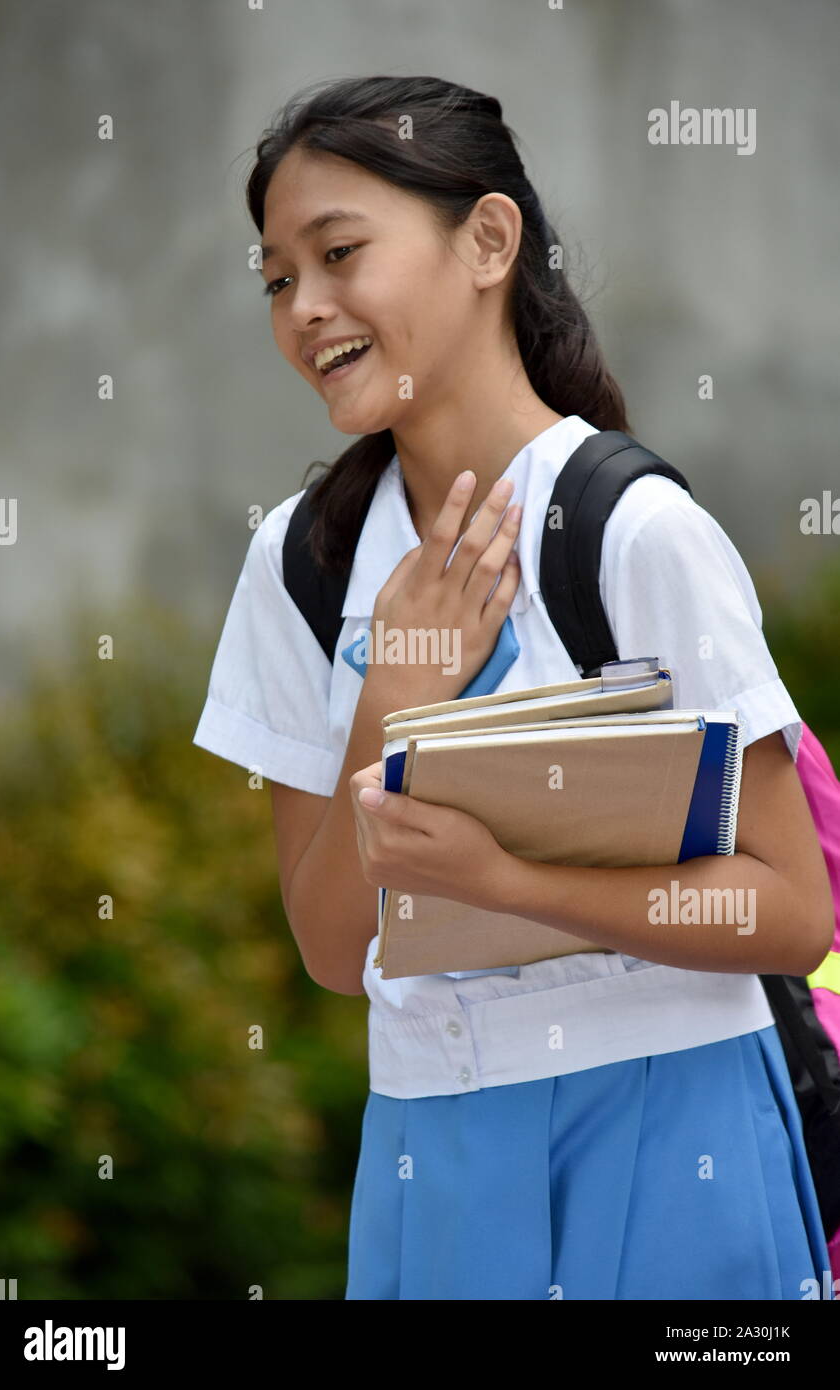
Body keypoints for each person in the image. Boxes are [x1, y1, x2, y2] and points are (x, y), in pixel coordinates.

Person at [192, 75, 835, 1300]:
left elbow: (791, 910)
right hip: (424, 1149)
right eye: (276, 277)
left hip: (672, 1125)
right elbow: (332, 948)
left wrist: (506, 884)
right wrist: (389, 697)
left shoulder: (631, 531)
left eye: (337, 253)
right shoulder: (299, 562)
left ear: (487, 240)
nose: (302, 308)